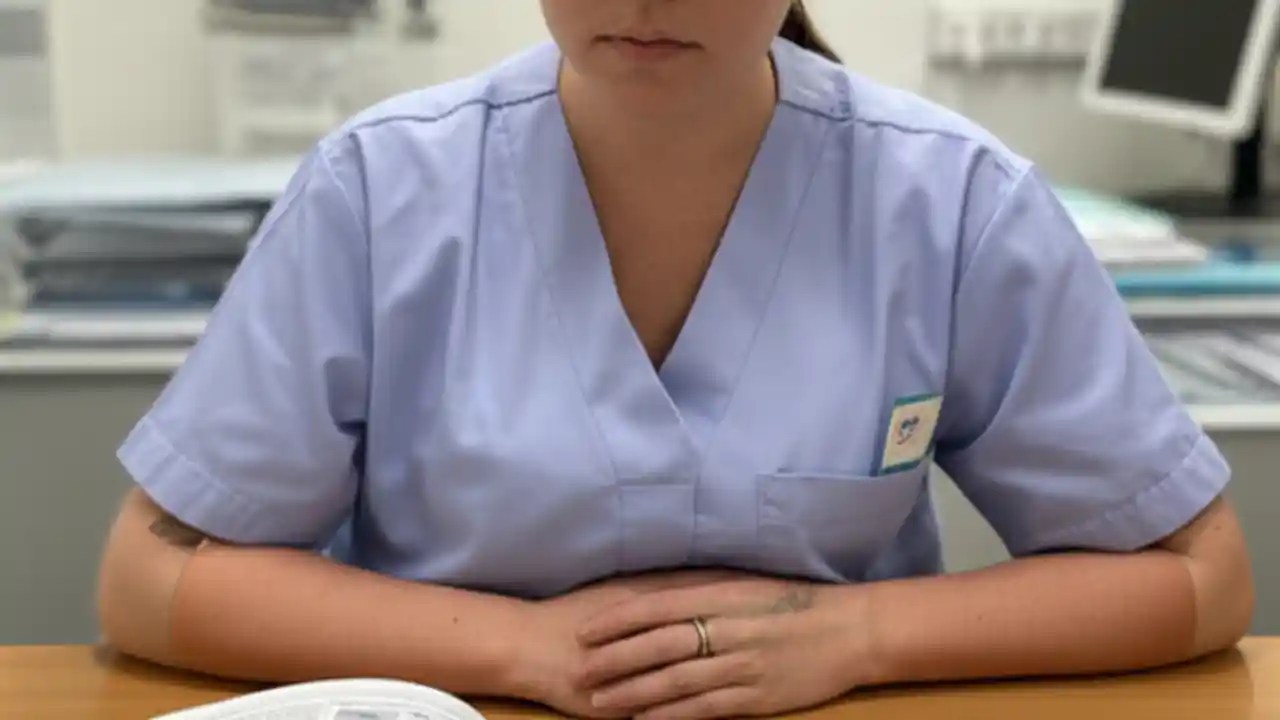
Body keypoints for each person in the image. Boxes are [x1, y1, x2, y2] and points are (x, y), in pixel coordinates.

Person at [97, 1, 1254, 718]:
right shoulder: (380, 190)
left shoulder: (947, 202)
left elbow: (1198, 578)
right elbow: (151, 579)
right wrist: (526, 651)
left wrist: (858, 637)